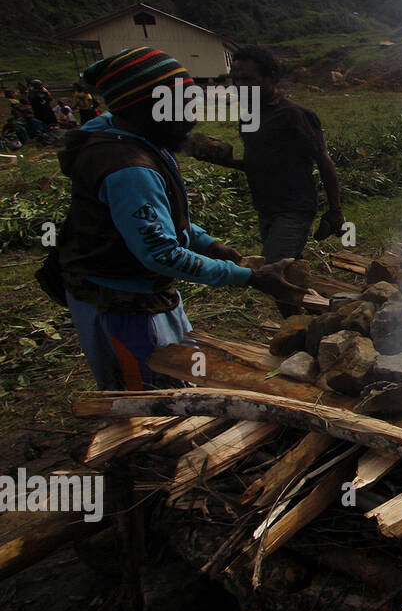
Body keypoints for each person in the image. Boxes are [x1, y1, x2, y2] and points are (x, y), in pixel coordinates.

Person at [55, 47, 305, 390]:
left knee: (177, 374)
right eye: (183, 103)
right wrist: (248, 278)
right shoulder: (128, 167)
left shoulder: (133, 136)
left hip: (142, 292)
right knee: (150, 394)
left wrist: (210, 244)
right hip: (120, 302)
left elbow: (163, 218)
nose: (193, 113)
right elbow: (161, 253)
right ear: (148, 107)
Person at [191, 47, 346, 305]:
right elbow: (258, 163)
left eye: (248, 79)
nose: (240, 85)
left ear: (271, 78)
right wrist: (228, 162)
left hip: (294, 208)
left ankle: (301, 325)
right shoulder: (249, 113)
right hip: (266, 207)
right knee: (289, 270)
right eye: (236, 80)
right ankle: (312, 322)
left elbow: (323, 160)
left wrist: (335, 210)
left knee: (274, 273)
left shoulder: (294, 115)